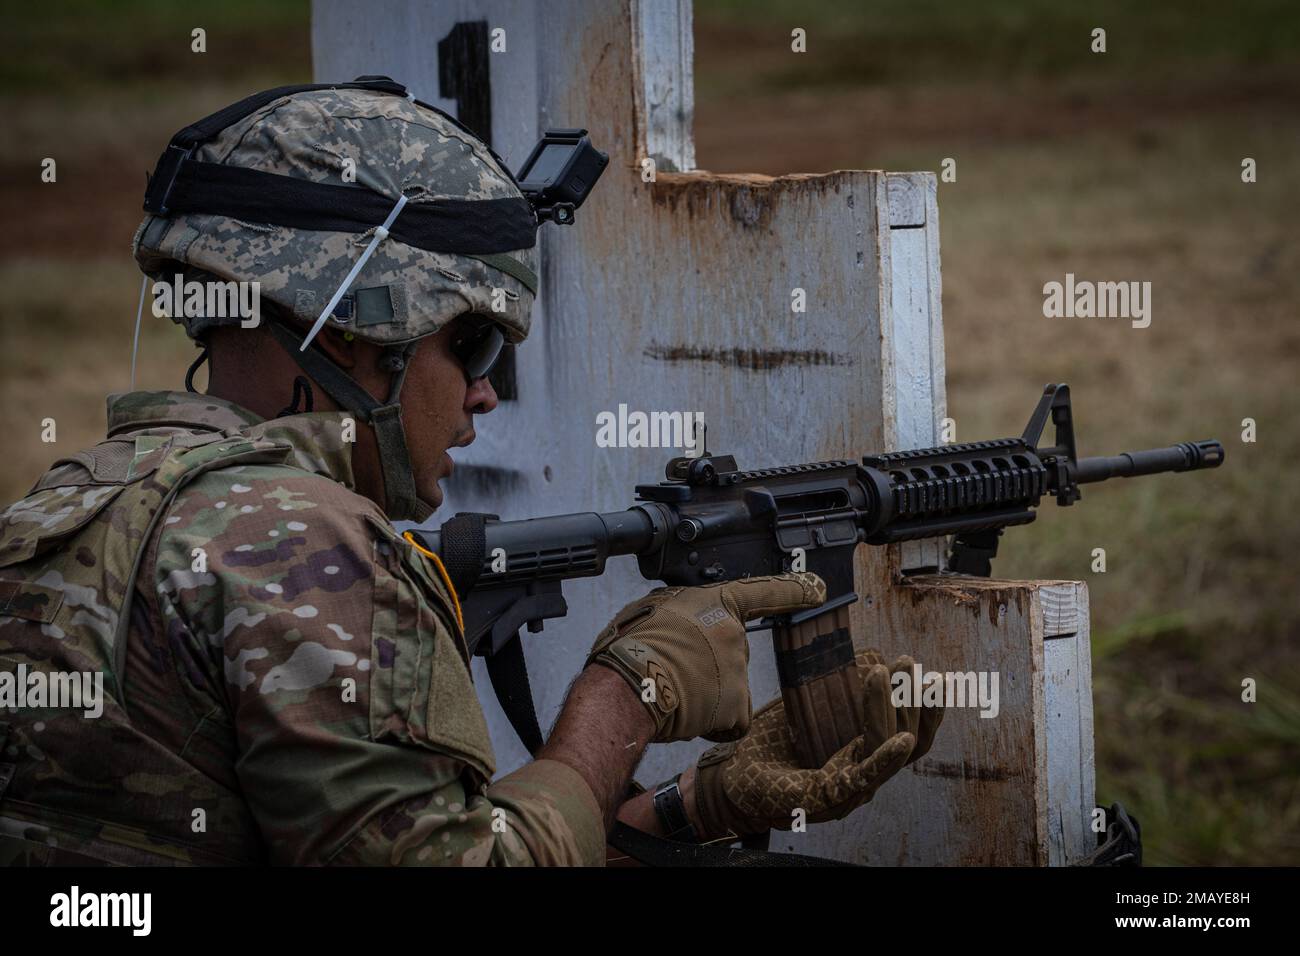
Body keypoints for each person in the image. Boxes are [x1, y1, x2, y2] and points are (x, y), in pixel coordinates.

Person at [0, 82, 939, 866]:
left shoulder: (67, 501)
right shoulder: (301, 541)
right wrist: (625, 697)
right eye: (473, 342)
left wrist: (696, 807)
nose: (485, 396)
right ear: (351, 330)